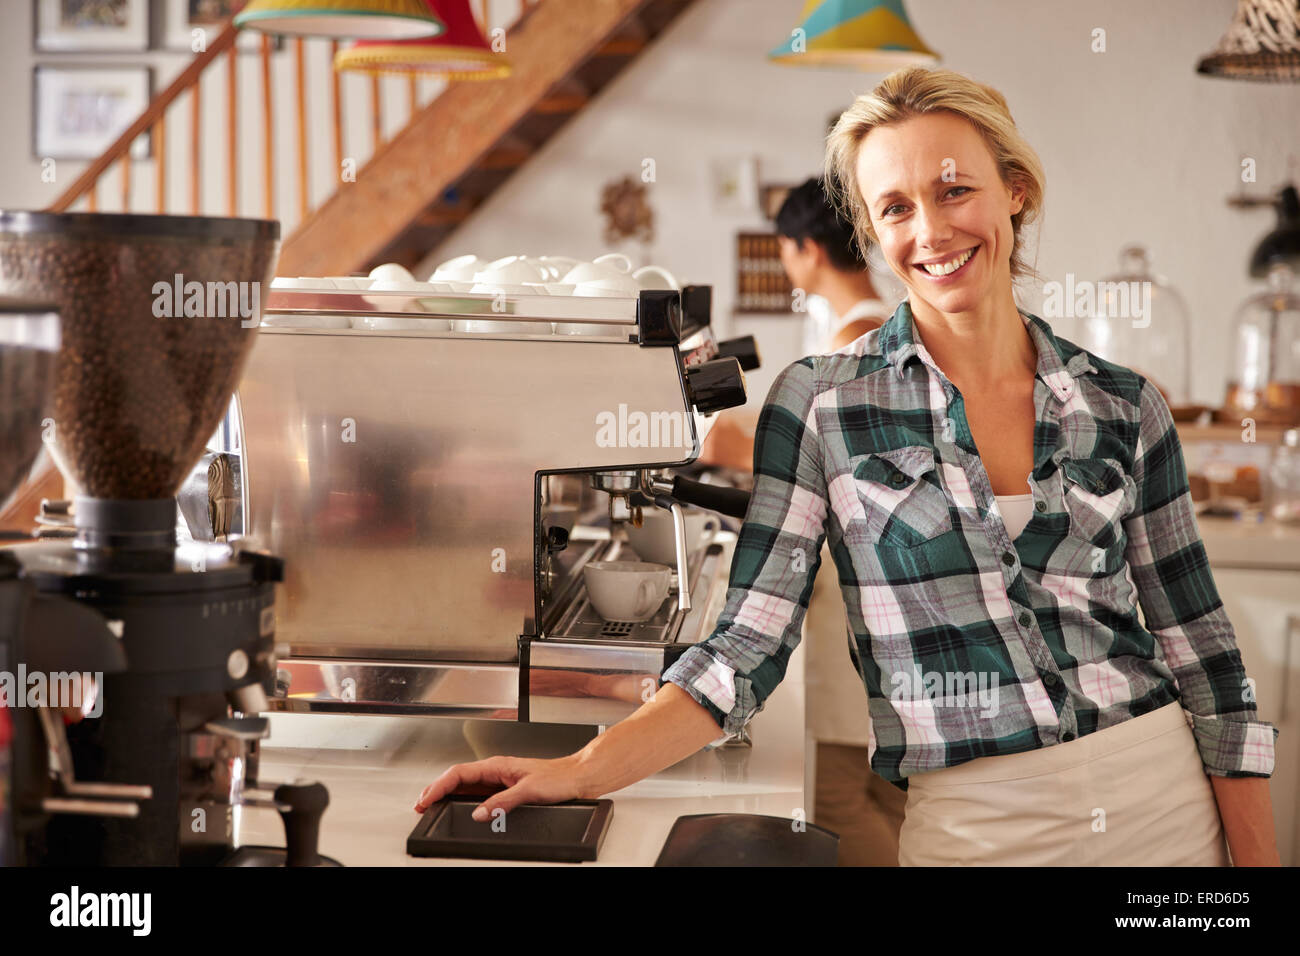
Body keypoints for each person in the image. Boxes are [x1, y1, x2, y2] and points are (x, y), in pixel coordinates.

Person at [417, 66, 1280, 866]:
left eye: (955, 190)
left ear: (1015, 192)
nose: (932, 230)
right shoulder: (822, 405)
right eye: (896, 208)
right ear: (871, 229)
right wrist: (578, 769)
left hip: (1163, 812)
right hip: (974, 829)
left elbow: (1204, 655)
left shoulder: (1125, 404)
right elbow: (746, 649)